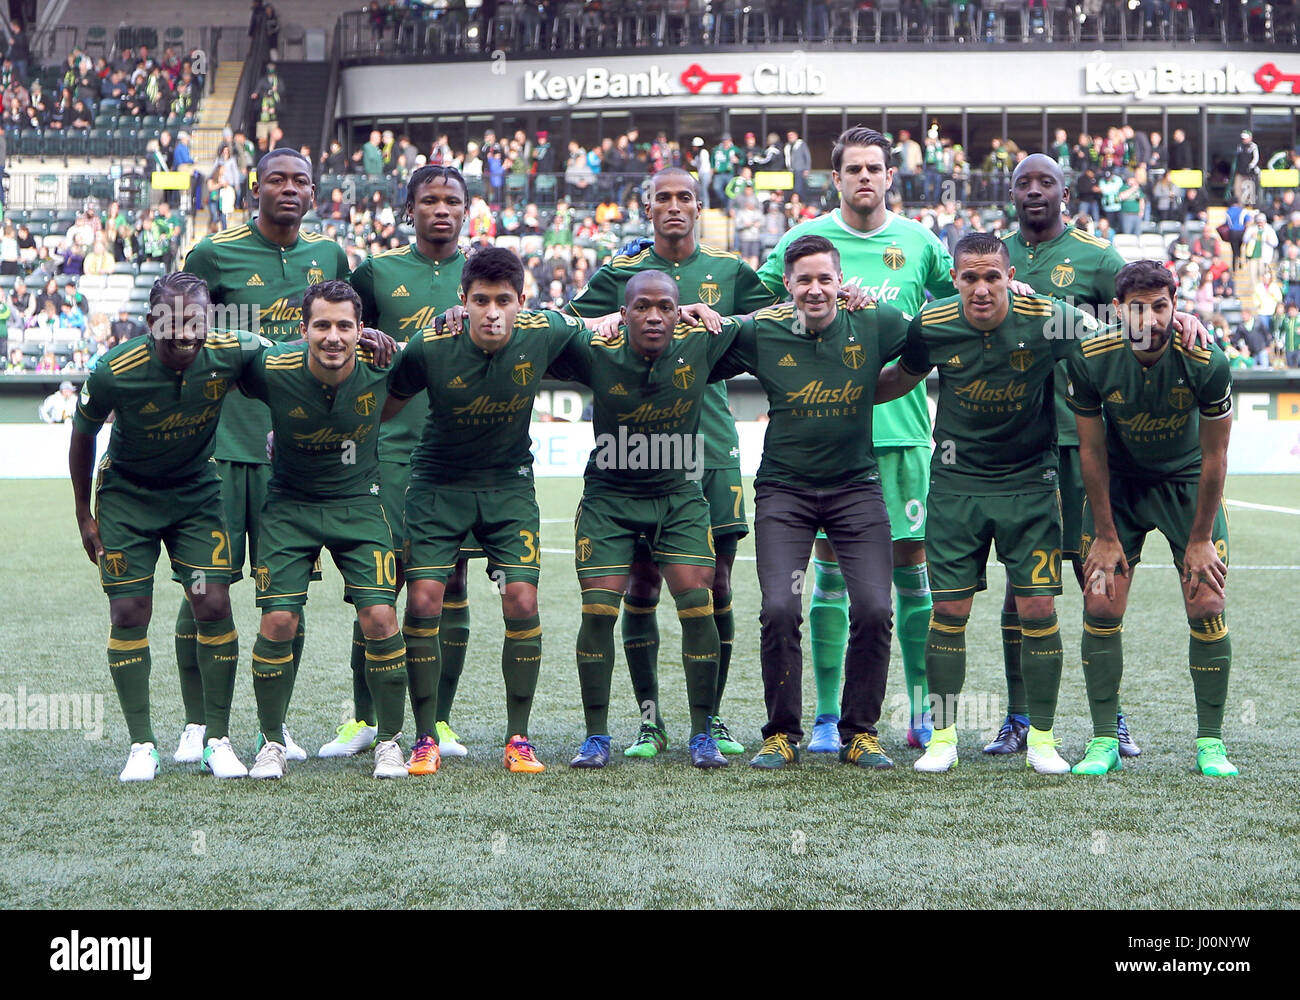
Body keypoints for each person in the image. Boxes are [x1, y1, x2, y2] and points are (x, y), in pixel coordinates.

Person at [562, 167, 781, 759]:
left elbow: (775, 323)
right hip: (632, 452)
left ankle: (711, 721)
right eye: (665, 198)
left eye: (686, 197)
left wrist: (728, 319)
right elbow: (565, 329)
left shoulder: (731, 270)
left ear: (700, 204)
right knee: (638, 586)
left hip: (708, 448)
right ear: (648, 206)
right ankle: (647, 719)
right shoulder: (619, 273)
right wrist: (600, 320)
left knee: (717, 586)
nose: (676, 206)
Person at [757, 127, 957, 753]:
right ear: (835, 177)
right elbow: (759, 308)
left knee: (908, 578)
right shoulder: (801, 244)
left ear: (890, 176)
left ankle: (921, 709)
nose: (865, 177)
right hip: (821, 446)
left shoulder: (920, 243)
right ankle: (823, 716)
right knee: (824, 581)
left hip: (900, 439)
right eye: (853, 169)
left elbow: (955, 318)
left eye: (876, 167)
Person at [879, 233, 1099, 775]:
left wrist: (1181, 325)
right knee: (948, 611)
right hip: (956, 486)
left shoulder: (1048, 315)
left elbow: (1109, 344)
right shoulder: (930, 324)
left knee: (1038, 610)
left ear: (1009, 277)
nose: (981, 288)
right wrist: (834, 385)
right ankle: (943, 739)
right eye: (969, 277)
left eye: (992, 277)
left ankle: (1043, 740)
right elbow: (896, 379)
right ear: (953, 279)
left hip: (1030, 484)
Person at [710, 234, 912, 770]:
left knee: (874, 608)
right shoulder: (760, 331)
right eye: (804, 280)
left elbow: (924, 348)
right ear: (788, 286)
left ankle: (860, 732)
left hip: (856, 490)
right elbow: (702, 345)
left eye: (826, 278)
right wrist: (691, 311)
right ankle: (781, 733)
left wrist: (875, 386)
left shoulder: (876, 322)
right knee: (779, 607)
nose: (816, 289)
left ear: (840, 281)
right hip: (784, 492)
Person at [386, 248, 585, 774]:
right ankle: (425, 737)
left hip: (508, 486)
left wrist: (684, 314)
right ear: (463, 302)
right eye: (480, 300)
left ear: (523, 301)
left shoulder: (544, 331)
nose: (492, 311)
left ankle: (518, 738)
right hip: (437, 486)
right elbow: (380, 402)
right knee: (425, 598)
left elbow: (608, 326)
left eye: (503, 300)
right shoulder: (429, 345)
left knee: (521, 598)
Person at [182, 148, 351, 764]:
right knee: (206, 586)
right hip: (223, 445)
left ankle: (273, 730)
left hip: (296, 452)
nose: (288, 189)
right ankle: (199, 726)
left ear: (314, 192)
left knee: (286, 597)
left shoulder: (329, 257)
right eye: (276, 178)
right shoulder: (212, 254)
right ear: (255, 186)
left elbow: (347, 340)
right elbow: (181, 334)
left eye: (300, 181)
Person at [68, 273, 265, 781]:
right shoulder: (113, 369)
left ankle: (215, 740)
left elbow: (291, 356)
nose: (185, 332)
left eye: (196, 320)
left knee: (212, 602)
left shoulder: (231, 351)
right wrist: (83, 512)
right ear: (152, 319)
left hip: (196, 493)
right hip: (128, 496)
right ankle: (142, 745)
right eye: (172, 320)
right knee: (129, 610)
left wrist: (370, 340)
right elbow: (83, 436)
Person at [550, 270, 738, 770]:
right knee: (599, 612)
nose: (653, 316)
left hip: (678, 494)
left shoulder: (703, 341)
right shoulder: (597, 348)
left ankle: (702, 734)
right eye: (641, 307)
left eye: (665, 307)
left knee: (699, 604)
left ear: (680, 312)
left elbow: (772, 321)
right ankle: (596, 736)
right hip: (610, 496)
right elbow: (540, 325)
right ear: (625, 312)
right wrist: (594, 320)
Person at [1066, 260, 1237, 777]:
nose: (1150, 319)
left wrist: (1202, 538)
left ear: (1175, 304)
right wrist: (1105, 536)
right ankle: (1103, 740)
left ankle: (1210, 742)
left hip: (1186, 485)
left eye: (1160, 306)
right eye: (1137, 308)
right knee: (1101, 604)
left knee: (1207, 601)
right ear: (1118, 310)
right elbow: (1090, 454)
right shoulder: (1092, 358)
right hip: (1117, 486)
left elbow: (1216, 456)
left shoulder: (1206, 360)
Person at [238, 280, 407, 780]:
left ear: (362, 330)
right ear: (302, 330)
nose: (333, 337)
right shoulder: (271, 368)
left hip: (359, 505)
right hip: (289, 507)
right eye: (322, 326)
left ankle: (390, 741)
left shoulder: (386, 366)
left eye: (344, 326)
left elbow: (430, 355)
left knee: (380, 618)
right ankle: (271, 742)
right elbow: (221, 369)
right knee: (279, 623)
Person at [999, 152, 1136, 755]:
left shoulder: (1099, 259)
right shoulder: (991, 257)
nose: (1034, 192)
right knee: (1021, 585)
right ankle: (1019, 716)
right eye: (1024, 182)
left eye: (1045, 182)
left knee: (1098, 580)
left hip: (1081, 443)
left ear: (1066, 191)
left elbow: (1133, 331)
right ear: (1011, 192)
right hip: (1012, 444)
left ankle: (1111, 719)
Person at [345, 163, 473, 761]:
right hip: (388, 449)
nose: (440, 209)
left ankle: (439, 720)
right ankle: (364, 719)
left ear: (465, 211)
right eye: (429, 200)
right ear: (409, 209)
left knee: (451, 582)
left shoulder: (483, 275)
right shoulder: (376, 272)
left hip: (458, 448)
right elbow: (342, 339)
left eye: (451, 200)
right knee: (380, 582)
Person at [1230, 130, 1260, 207]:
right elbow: (1237, 158)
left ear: (1250, 138)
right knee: (1238, 189)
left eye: (1246, 138)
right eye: (1243, 138)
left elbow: (1256, 158)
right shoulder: (1239, 146)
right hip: (1240, 172)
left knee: (1250, 189)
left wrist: (1250, 166)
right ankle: (1239, 205)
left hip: (1250, 173)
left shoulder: (1253, 146)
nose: (1244, 140)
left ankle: (1250, 206)